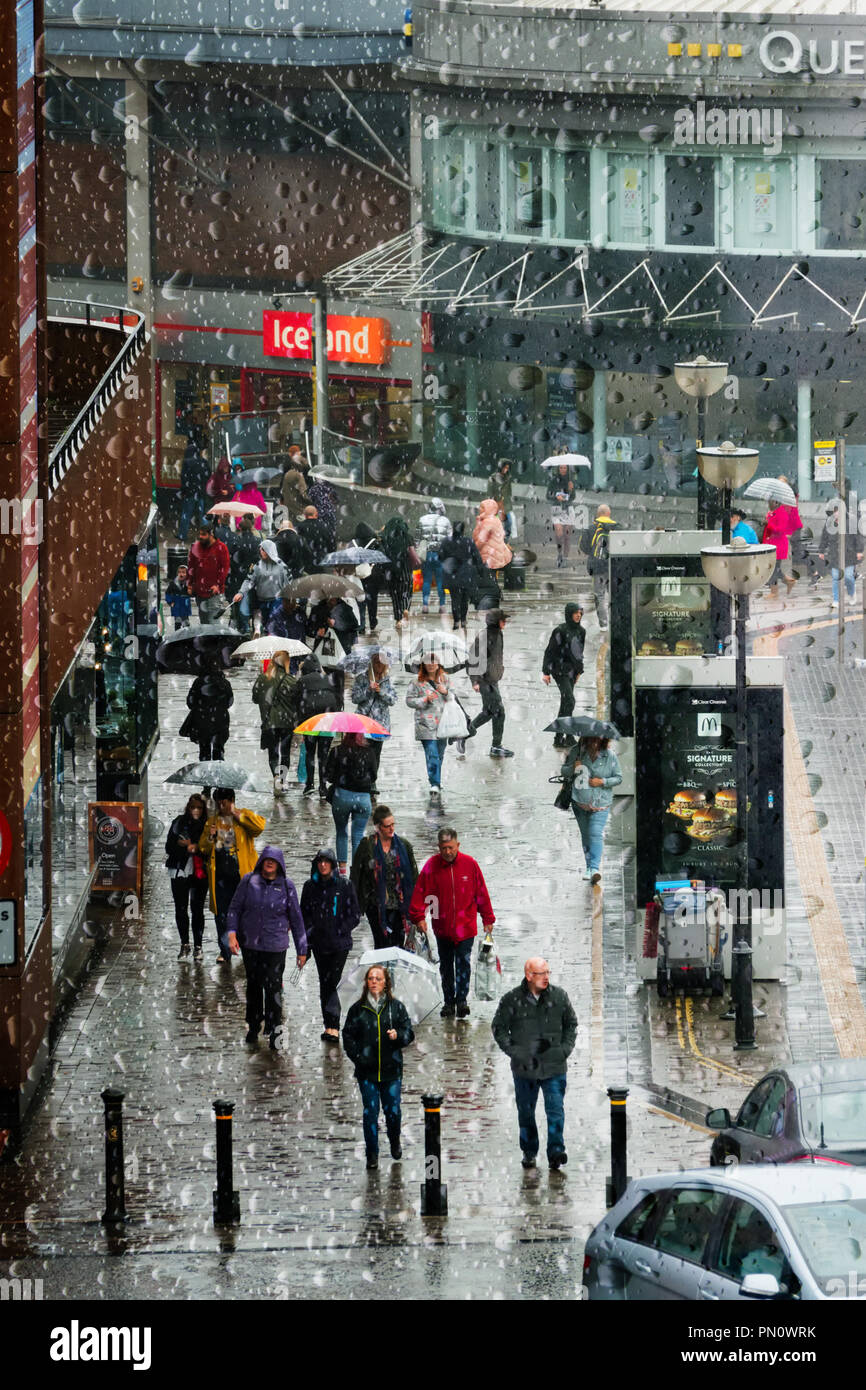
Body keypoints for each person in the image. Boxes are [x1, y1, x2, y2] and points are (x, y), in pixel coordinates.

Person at [491, 957, 577, 1171]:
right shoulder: (511, 999)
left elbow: (571, 1024)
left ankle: (556, 1151)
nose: (546, 977)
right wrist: (515, 1052)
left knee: (555, 1110)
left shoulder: (559, 996)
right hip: (525, 1070)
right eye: (541, 973)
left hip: (554, 1067)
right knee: (526, 1112)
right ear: (529, 976)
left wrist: (564, 1050)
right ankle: (529, 1152)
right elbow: (499, 1029)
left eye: (548, 972)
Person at [225, 845, 307, 1050]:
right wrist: (232, 933)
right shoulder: (248, 881)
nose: (269, 863)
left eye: (274, 861)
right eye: (266, 859)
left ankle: (274, 1029)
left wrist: (302, 950)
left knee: (273, 988)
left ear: (279, 865)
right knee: (253, 986)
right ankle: (253, 1025)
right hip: (251, 944)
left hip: (275, 946)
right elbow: (234, 908)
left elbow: (296, 920)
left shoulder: (287, 886)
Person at [409, 827, 495, 1019]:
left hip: (466, 928)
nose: (447, 852)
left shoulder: (470, 864)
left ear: (458, 845)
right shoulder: (431, 866)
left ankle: (462, 1000)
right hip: (442, 928)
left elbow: (481, 893)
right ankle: (449, 1001)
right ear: (438, 847)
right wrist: (419, 916)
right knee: (446, 965)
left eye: (450, 848)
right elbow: (420, 893)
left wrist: (487, 918)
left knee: (463, 963)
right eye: (443, 848)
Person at [342, 964, 415, 1170]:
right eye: (371, 978)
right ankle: (372, 1153)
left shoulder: (396, 1007)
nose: (373, 982)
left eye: (378, 979)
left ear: (385, 983)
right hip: (367, 1072)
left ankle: (394, 1140)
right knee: (370, 1112)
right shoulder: (357, 1010)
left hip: (392, 1071)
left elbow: (409, 1033)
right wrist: (358, 1057)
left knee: (393, 1112)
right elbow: (347, 1037)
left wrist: (398, 1036)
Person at [198, 788, 266, 964]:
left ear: (232, 801)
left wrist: (236, 814)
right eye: (219, 803)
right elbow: (203, 848)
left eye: (225, 802)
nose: (221, 806)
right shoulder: (212, 822)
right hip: (220, 877)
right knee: (221, 915)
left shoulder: (243, 816)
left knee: (246, 913)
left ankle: (247, 948)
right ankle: (225, 950)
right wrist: (210, 837)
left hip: (242, 878)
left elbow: (259, 826)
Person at [301, 847, 361, 1042]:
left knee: (332, 981)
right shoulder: (310, 886)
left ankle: (333, 1026)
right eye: (320, 862)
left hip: (339, 944)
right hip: (319, 944)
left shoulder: (345, 886)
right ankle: (329, 1025)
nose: (323, 865)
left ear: (333, 864)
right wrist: (307, 941)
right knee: (324, 983)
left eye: (327, 861)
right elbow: (305, 916)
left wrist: (341, 929)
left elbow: (355, 914)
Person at [351, 805, 419, 950]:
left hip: (399, 905)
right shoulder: (367, 845)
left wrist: (416, 904)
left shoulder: (403, 845)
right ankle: (381, 971)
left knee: (398, 944)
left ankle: (393, 972)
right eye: (387, 826)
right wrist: (356, 903)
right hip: (375, 904)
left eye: (393, 824)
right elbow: (356, 874)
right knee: (381, 943)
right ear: (378, 827)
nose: (391, 829)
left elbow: (414, 876)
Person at [562, 735, 622, 883]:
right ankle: (589, 867)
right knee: (586, 835)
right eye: (591, 740)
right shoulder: (577, 751)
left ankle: (595, 868)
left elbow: (618, 777)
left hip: (601, 803)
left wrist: (603, 781)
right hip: (579, 801)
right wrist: (572, 768)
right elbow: (564, 771)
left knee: (595, 833)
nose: (594, 744)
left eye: (597, 740)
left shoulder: (610, 755)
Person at [324, 732, 377, 874]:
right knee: (358, 834)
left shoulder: (337, 751)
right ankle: (356, 871)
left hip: (342, 797)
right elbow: (373, 776)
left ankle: (342, 871)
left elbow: (328, 775)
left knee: (341, 832)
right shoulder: (370, 752)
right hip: (363, 799)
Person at [463, 608, 513, 758]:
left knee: (489, 712)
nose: (505, 622)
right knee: (499, 712)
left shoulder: (499, 634)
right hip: (484, 680)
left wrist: (499, 670)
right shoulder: (484, 636)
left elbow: (497, 655)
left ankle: (464, 733)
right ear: (495, 621)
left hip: (493, 678)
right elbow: (472, 658)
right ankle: (496, 746)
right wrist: (475, 681)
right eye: (503, 620)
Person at [290, 654, 341, 799]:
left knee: (310, 753)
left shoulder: (302, 681)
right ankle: (323, 787)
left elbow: (293, 698)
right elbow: (338, 699)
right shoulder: (329, 679)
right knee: (323, 756)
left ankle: (309, 785)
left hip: (310, 721)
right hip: (327, 721)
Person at [164, 794, 208, 961]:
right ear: (188, 808)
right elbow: (169, 847)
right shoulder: (179, 823)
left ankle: (198, 946)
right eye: (193, 807)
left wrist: (197, 847)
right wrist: (181, 846)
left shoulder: (207, 825)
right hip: (179, 870)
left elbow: (211, 849)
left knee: (197, 909)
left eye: (199, 807)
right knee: (181, 908)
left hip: (199, 872)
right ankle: (184, 944)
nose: (196, 810)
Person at [350, 653, 397, 793]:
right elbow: (355, 698)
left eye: (382, 663)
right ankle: (361, 780)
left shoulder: (387, 680)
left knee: (376, 754)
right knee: (362, 753)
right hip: (363, 722)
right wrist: (368, 690)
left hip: (380, 724)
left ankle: (372, 782)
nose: (379, 666)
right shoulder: (362, 678)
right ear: (372, 663)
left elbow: (393, 700)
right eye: (377, 662)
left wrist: (381, 691)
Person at [406, 657, 451, 798]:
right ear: (423, 665)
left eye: (434, 661)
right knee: (432, 753)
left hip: (443, 723)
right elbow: (409, 701)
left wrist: (445, 692)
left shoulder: (445, 679)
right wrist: (424, 699)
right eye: (428, 662)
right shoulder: (416, 682)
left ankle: (436, 779)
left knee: (439, 754)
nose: (431, 664)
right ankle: (435, 783)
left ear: (438, 664)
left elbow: (454, 698)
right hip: (425, 724)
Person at [542, 602, 586, 746]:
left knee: (566, 704)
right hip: (559, 669)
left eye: (580, 613)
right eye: (576, 613)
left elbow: (579, 653)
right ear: (569, 614)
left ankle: (560, 738)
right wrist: (546, 672)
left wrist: (579, 670)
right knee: (570, 700)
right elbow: (550, 651)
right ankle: (568, 735)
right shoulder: (559, 630)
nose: (578, 615)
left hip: (572, 671)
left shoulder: (581, 631)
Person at [252, 651, 297, 793]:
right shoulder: (291, 680)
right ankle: (282, 781)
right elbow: (297, 701)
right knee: (285, 754)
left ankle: (276, 776)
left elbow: (255, 698)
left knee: (273, 753)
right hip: (286, 723)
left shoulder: (263, 678)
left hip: (269, 722)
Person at [232, 538, 289, 634]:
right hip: (262, 600)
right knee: (266, 625)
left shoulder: (281, 566)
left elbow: (288, 582)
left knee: (273, 624)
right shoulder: (258, 566)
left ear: (268, 550)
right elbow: (249, 580)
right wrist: (241, 592)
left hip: (277, 600)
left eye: (263, 549)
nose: (260, 551)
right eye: (261, 549)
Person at [180, 669, 233, 762]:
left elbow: (190, 702)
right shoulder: (225, 683)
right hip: (221, 720)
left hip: (202, 720)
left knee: (204, 749)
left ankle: (205, 770)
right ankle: (219, 769)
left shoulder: (198, 682)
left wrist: (201, 707)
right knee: (218, 748)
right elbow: (230, 702)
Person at [819, 500, 863, 609]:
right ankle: (836, 600)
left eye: (838, 511)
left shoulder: (851, 522)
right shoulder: (829, 522)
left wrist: (859, 551)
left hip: (849, 554)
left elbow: (858, 537)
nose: (836, 513)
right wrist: (821, 550)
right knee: (835, 577)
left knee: (848, 576)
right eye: (834, 511)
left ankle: (852, 594)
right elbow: (824, 537)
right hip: (834, 554)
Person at [580, 504, 617, 630]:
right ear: (609, 514)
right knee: (615, 594)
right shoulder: (618, 527)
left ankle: (603, 624)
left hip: (597, 567)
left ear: (598, 514)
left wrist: (592, 554)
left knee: (599, 595)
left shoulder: (590, 528)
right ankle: (617, 620)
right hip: (614, 565)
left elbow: (583, 547)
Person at [441, 521, 483, 631]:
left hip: (452, 574)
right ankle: (463, 620)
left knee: (455, 598)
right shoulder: (469, 542)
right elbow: (477, 558)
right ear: (463, 530)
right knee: (464, 599)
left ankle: (456, 621)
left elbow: (441, 556)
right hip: (466, 575)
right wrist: (480, 570)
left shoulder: (446, 542)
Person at [186, 521, 231, 625]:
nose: (200, 536)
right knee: (204, 622)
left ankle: (214, 641)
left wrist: (218, 585)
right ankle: (207, 641)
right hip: (199, 592)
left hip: (214, 593)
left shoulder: (221, 548)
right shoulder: (195, 547)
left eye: (203, 534)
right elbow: (191, 567)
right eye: (200, 534)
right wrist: (189, 584)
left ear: (211, 534)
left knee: (213, 623)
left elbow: (224, 569)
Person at [380, 516, 419, 627]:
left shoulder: (387, 538)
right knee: (407, 592)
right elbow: (413, 556)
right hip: (405, 570)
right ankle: (406, 608)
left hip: (391, 571)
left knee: (395, 596)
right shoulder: (408, 537)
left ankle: (398, 620)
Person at [418, 497, 453, 615]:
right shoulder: (446, 521)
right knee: (440, 581)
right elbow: (450, 540)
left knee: (426, 580)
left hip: (427, 554)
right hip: (441, 555)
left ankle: (425, 605)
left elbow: (417, 540)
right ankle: (442, 606)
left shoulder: (422, 520)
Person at [762, 501, 797, 599]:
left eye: (770, 502)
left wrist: (769, 523)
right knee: (775, 568)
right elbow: (769, 530)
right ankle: (789, 582)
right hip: (771, 544)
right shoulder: (773, 512)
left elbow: (780, 531)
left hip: (778, 546)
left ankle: (774, 592)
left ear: (776, 503)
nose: (768, 503)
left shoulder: (782, 514)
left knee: (773, 569)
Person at [177, 440, 210, 542]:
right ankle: (206, 536)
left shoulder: (187, 462)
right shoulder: (204, 462)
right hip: (201, 492)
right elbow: (208, 476)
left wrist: (183, 491)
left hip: (190, 492)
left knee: (186, 514)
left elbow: (184, 478)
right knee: (202, 515)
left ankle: (182, 535)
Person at [547, 463, 577, 568]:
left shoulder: (570, 481)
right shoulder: (553, 481)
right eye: (561, 467)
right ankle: (559, 554)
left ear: (567, 469)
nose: (563, 469)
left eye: (565, 468)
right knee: (559, 534)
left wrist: (571, 489)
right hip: (556, 509)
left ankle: (565, 558)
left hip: (568, 509)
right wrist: (556, 497)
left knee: (567, 536)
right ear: (558, 469)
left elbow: (573, 497)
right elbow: (548, 496)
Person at [473, 497, 513, 574]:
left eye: (482, 507)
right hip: (495, 554)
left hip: (489, 555)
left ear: (487, 509)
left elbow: (481, 540)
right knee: (492, 576)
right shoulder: (495, 520)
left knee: (488, 577)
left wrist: (473, 549)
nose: (480, 509)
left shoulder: (488, 522)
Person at [307, 476, 339, 550]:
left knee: (320, 533)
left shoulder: (313, 489)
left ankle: (321, 549)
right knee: (331, 533)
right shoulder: (331, 488)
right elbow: (337, 500)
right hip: (330, 514)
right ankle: (331, 548)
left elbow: (309, 500)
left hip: (319, 515)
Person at [297, 504, 331, 571]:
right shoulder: (324, 527)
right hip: (320, 561)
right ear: (316, 514)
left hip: (304, 561)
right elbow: (330, 544)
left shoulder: (299, 527)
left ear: (305, 515)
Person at [488, 458, 515, 539]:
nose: (506, 470)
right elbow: (490, 493)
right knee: (496, 525)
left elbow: (508, 492)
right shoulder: (493, 478)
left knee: (509, 523)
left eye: (507, 468)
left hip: (506, 505)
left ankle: (505, 542)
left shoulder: (508, 477)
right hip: (496, 504)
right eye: (504, 467)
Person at [280, 449, 310, 518]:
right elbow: (304, 494)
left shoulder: (288, 474)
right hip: (298, 509)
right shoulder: (298, 476)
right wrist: (312, 501)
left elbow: (284, 490)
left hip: (289, 507)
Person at [166, 564, 192, 630]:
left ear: (187, 574)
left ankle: (186, 636)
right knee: (178, 622)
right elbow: (167, 593)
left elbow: (192, 593)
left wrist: (191, 591)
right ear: (177, 573)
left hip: (185, 606)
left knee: (186, 621)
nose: (181, 574)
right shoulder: (173, 583)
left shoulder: (188, 583)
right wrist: (170, 602)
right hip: (176, 605)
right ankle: (177, 636)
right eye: (179, 572)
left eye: (183, 572)